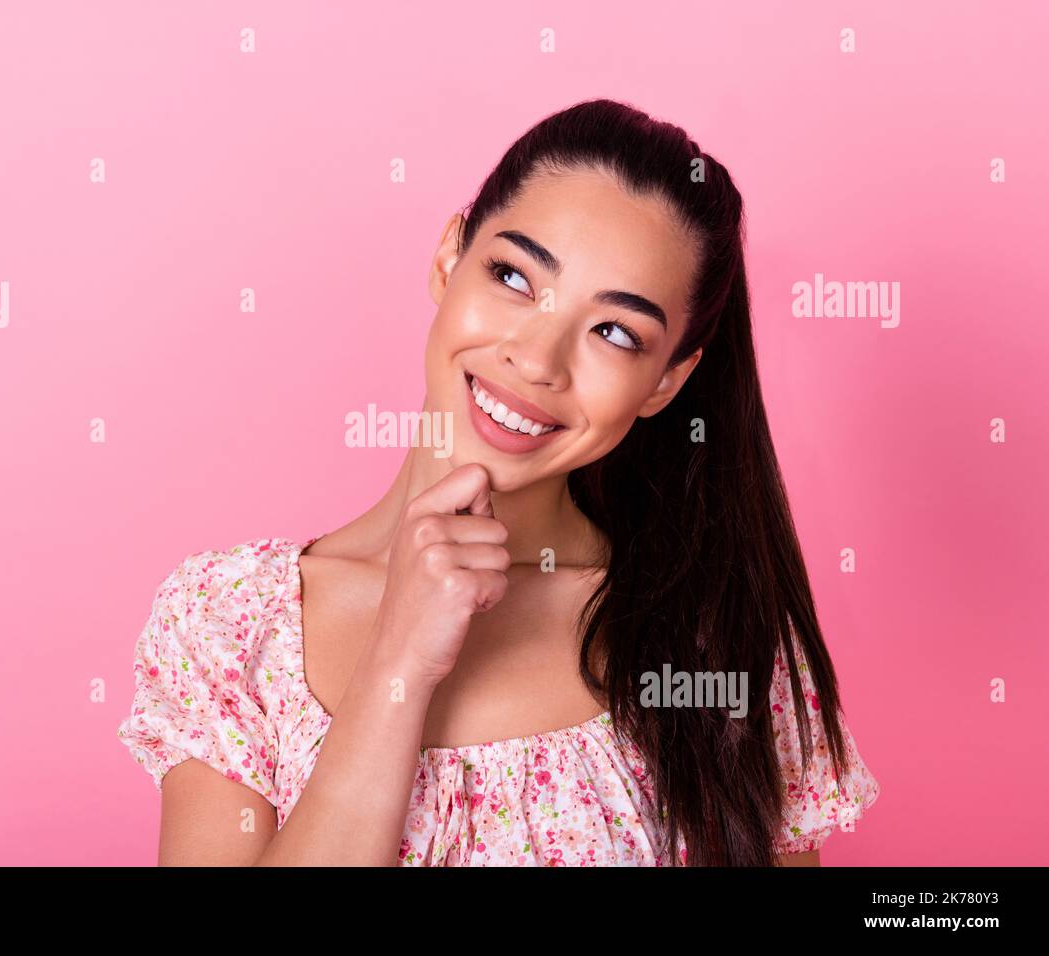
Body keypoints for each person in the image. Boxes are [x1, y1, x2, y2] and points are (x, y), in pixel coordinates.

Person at [117, 98, 880, 867]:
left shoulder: (714, 641)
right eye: (514, 276)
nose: (538, 360)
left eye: (615, 332)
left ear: (666, 383)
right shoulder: (233, 626)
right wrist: (399, 659)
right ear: (450, 257)